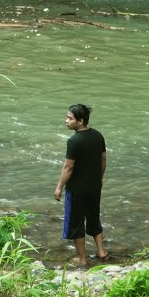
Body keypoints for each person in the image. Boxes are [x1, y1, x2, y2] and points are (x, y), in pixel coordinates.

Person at [53, 103, 109, 267]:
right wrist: (99, 178)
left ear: (80, 121)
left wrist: (59, 187)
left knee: (76, 222)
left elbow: (68, 167)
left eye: (70, 118)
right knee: (93, 217)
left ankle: (82, 258)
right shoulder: (98, 136)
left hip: (77, 189)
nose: (66, 121)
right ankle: (101, 251)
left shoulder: (74, 141)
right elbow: (103, 160)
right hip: (94, 187)